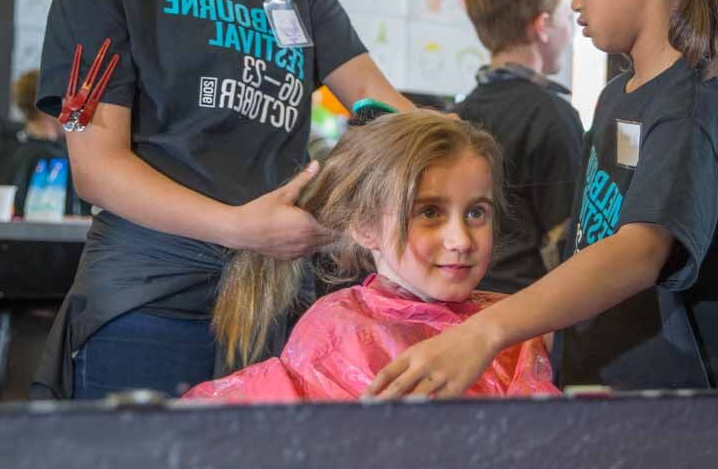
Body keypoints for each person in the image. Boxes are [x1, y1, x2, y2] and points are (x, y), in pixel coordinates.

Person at [30, 0, 412, 400]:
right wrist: (240, 228)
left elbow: (376, 102)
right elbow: (96, 166)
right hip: (150, 303)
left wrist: (438, 151)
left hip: (272, 300)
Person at [366, 0, 718, 398]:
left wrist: (488, 331)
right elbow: (585, 245)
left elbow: (640, 250)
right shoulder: (616, 96)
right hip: (596, 378)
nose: (575, 3)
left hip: (673, 401)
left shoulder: (693, 102)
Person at [182, 111, 559, 402]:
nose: (461, 240)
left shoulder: (517, 323)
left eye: (476, 212)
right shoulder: (340, 331)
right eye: (429, 212)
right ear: (365, 226)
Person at [454, 0, 584, 293]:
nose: (570, 31)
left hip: (466, 297)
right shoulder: (553, 115)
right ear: (542, 26)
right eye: (565, 19)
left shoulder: (458, 115)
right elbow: (571, 239)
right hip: (529, 306)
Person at [1, 69, 79, 217]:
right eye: (66, 102)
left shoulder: (14, 148)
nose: (72, 110)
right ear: (46, 107)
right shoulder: (44, 156)